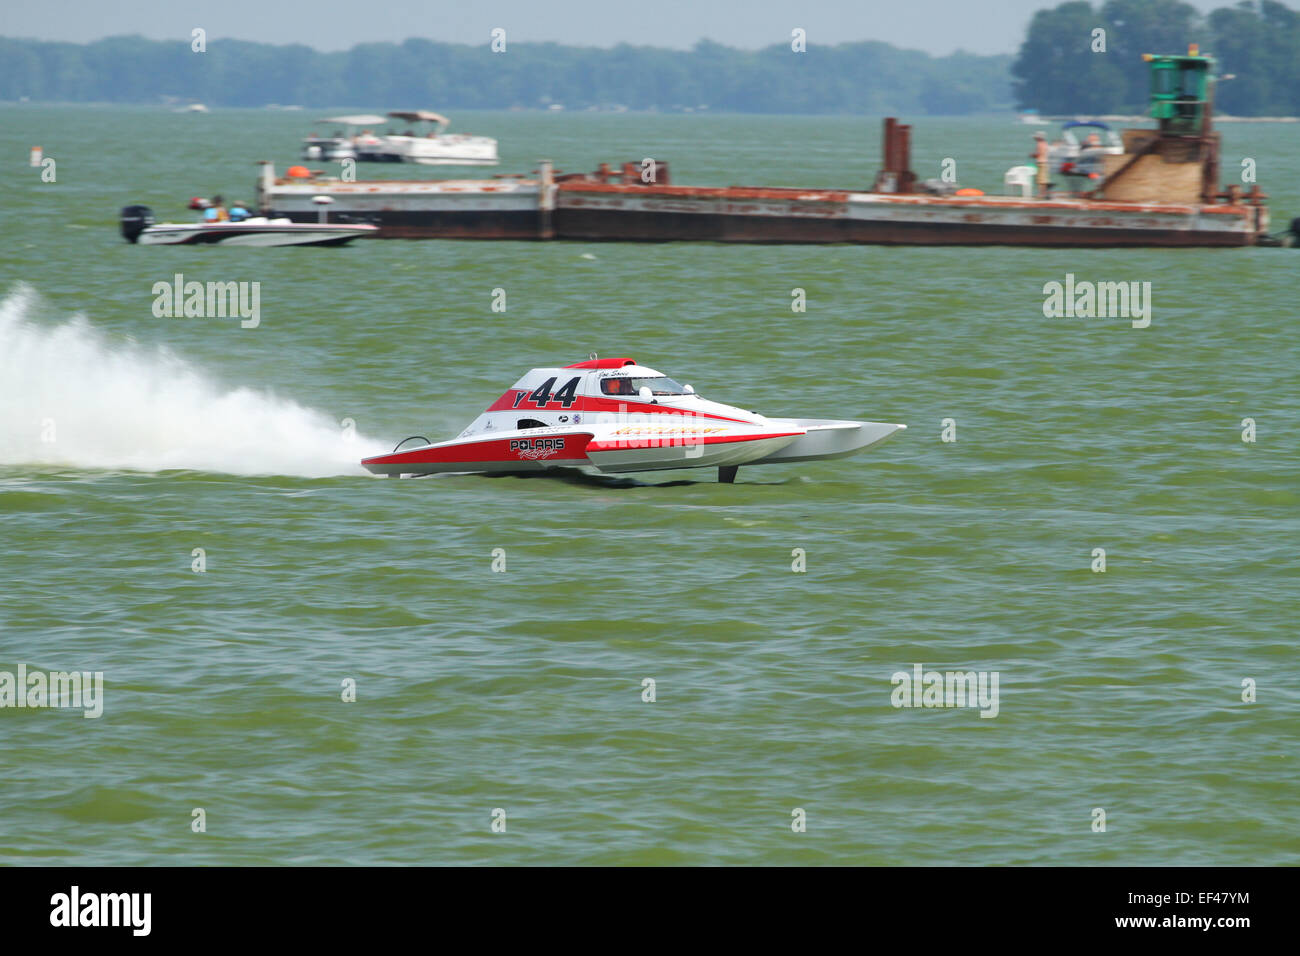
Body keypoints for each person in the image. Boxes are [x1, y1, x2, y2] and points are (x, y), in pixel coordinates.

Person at [1033, 132, 1050, 198]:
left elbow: (1038, 154)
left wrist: (1033, 155)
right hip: (1045, 162)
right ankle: (1044, 193)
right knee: (1044, 179)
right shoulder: (1045, 144)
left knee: (1040, 180)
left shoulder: (1040, 144)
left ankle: (1041, 194)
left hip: (1041, 162)